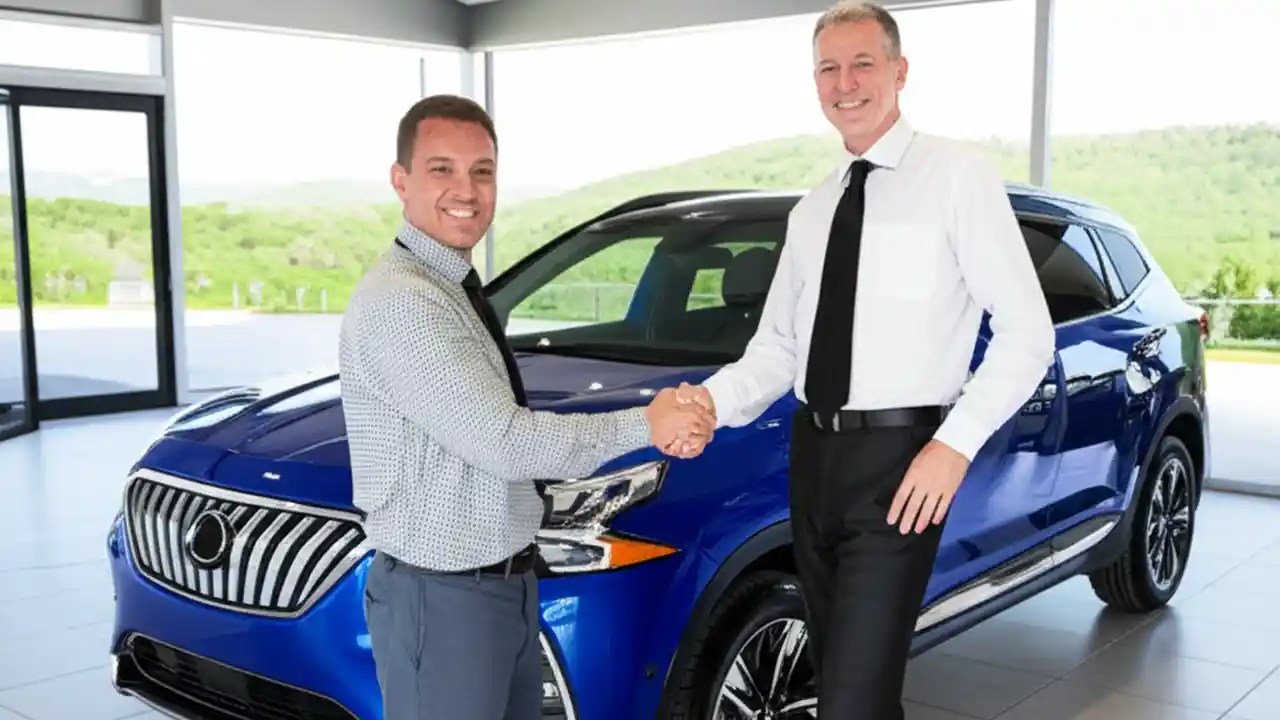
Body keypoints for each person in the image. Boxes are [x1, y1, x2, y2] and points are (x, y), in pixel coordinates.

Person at [675, 2, 1055, 718]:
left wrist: (952, 446)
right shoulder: (813, 210)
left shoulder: (956, 176)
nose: (844, 82)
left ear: (899, 72)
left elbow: (1028, 332)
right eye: (828, 67)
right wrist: (710, 404)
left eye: (862, 63)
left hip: (902, 463)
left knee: (850, 699)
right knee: (852, 685)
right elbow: (779, 350)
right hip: (812, 456)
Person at [337, 94, 713, 720]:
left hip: (501, 584)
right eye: (442, 169)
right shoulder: (405, 302)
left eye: (482, 171)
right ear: (401, 181)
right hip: (446, 597)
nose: (467, 189)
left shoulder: (447, 286)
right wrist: (646, 422)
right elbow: (505, 443)